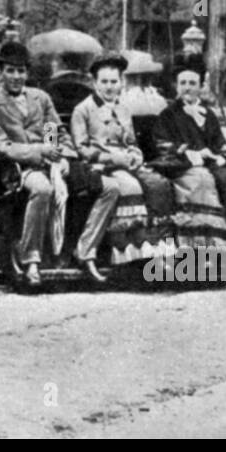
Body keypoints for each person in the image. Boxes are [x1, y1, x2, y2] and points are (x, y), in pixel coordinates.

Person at [0, 41, 72, 287]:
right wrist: (39, 151)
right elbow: (3, 147)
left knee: (80, 183)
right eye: (10, 71)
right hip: (14, 169)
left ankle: (68, 253)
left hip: (46, 162)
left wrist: (58, 157)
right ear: (0, 72)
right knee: (42, 188)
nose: (17, 77)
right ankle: (31, 260)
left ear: (27, 73)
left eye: (21, 71)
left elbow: (53, 130)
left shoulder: (40, 98)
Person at [69, 53, 173, 281]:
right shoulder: (83, 109)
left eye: (114, 82)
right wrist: (115, 159)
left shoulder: (124, 108)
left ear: (121, 83)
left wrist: (135, 155)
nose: (109, 87)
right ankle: (123, 256)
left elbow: (132, 142)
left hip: (126, 162)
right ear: (95, 83)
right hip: (100, 164)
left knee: (158, 186)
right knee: (130, 188)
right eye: (104, 82)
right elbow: (82, 148)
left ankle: (151, 252)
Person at [149, 69, 226, 268]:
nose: (187, 88)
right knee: (202, 181)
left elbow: (221, 143)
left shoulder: (210, 114)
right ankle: (195, 250)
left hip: (209, 164)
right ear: (177, 86)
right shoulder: (168, 114)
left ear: (200, 87)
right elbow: (161, 143)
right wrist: (190, 153)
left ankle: (224, 249)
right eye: (183, 83)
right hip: (181, 165)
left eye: (192, 83)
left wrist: (219, 156)